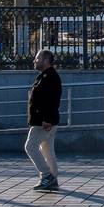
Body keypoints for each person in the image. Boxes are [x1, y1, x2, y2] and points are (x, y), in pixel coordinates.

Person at [24, 49, 62, 192]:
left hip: (44, 122)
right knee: (47, 150)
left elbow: (51, 101)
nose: (34, 60)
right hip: (46, 121)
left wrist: (46, 119)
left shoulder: (49, 78)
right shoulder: (46, 76)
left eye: (37, 58)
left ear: (45, 60)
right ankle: (53, 179)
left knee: (30, 147)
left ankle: (47, 176)